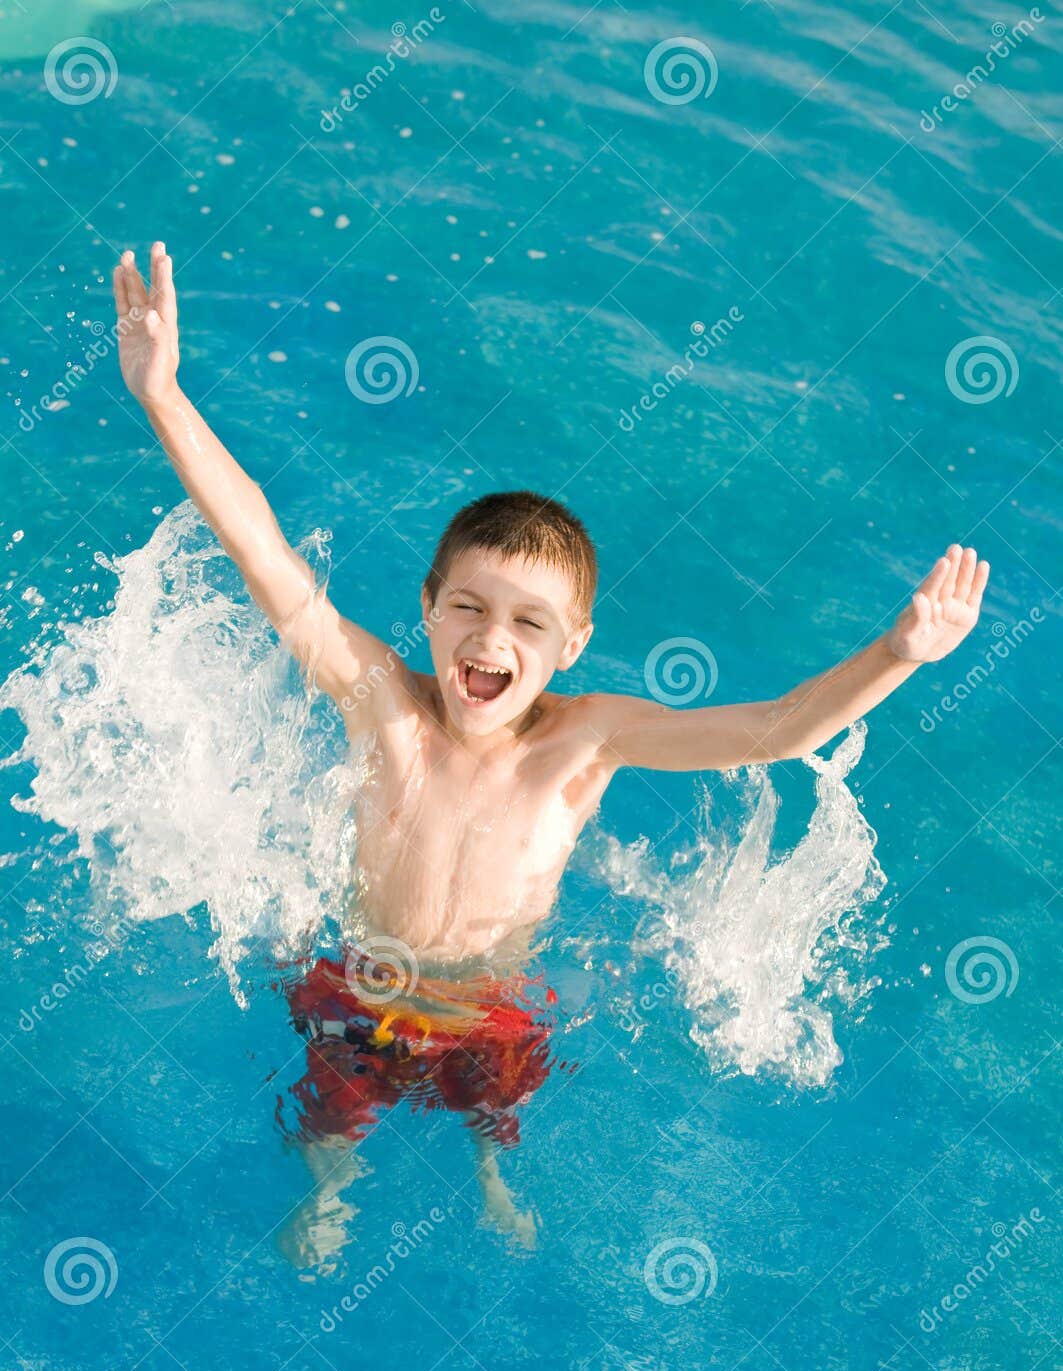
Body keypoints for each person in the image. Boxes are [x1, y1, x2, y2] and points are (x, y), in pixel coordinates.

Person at [112, 241, 991, 1264]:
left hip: (489, 1011)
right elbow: (263, 551)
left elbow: (774, 730)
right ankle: (333, 1189)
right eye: (468, 609)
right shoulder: (380, 704)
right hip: (364, 989)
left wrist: (897, 652)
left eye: (529, 623)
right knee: (328, 1120)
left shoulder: (589, 741)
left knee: (495, 1120)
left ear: (570, 646)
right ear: (428, 613)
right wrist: (162, 393)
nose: (492, 640)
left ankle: (489, 1170)